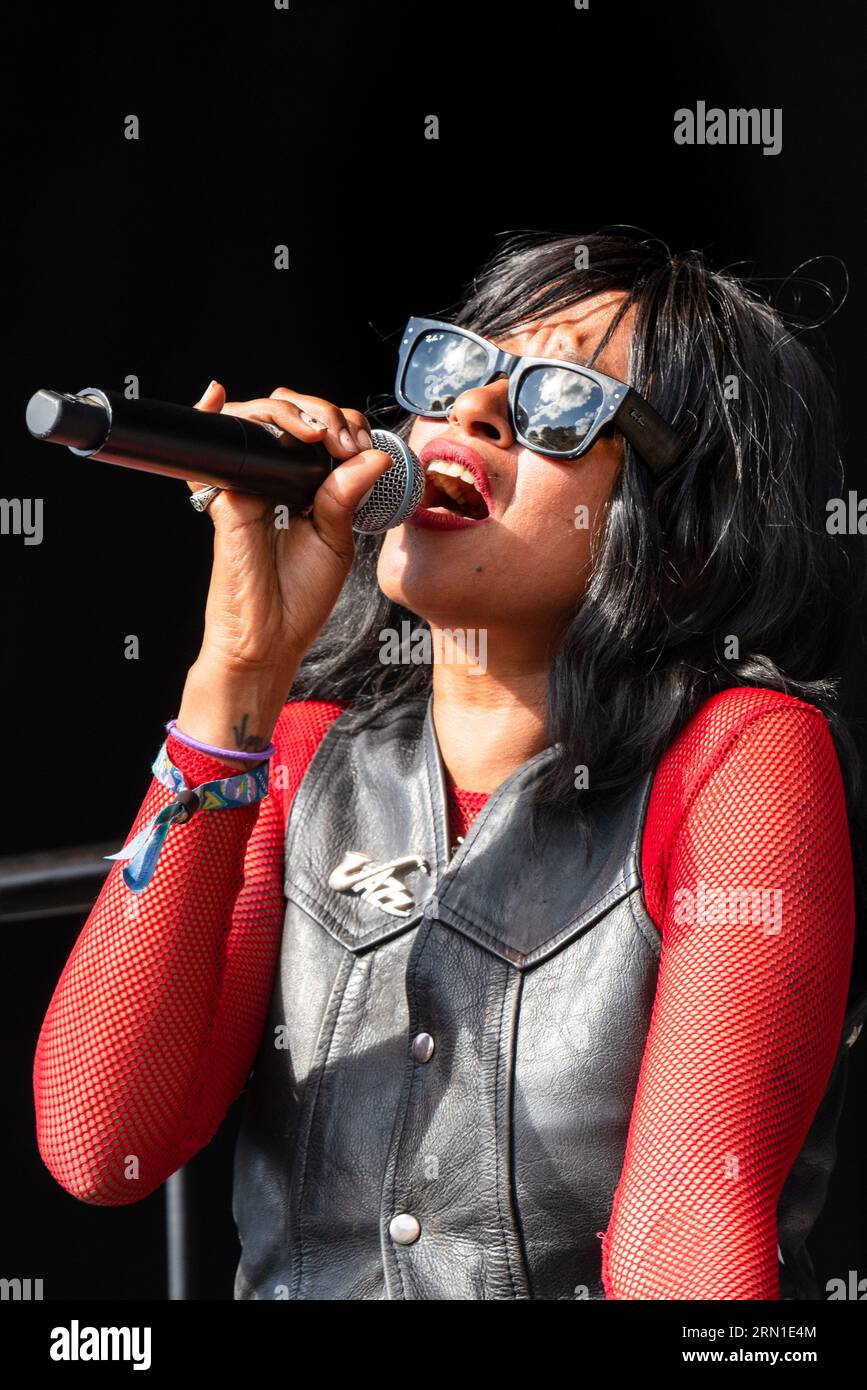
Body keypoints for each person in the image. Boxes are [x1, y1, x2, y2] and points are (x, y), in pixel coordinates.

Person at [33, 230, 867, 1300]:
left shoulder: (741, 760)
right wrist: (235, 679)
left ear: (686, 534)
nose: (472, 412)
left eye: (560, 400)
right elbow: (101, 1143)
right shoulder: (297, 751)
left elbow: (686, 1240)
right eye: (460, 371)